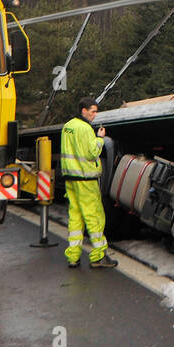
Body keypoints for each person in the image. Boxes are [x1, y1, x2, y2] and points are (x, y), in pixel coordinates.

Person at [61, 98, 117, 268]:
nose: (95, 115)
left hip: (71, 178)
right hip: (86, 179)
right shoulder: (85, 129)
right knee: (94, 217)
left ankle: (73, 256)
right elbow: (92, 154)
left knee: (76, 217)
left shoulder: (67, 126)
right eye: (92, 111)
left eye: (95, 111)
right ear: (83, 110)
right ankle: (99, 256)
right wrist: (100, 139)